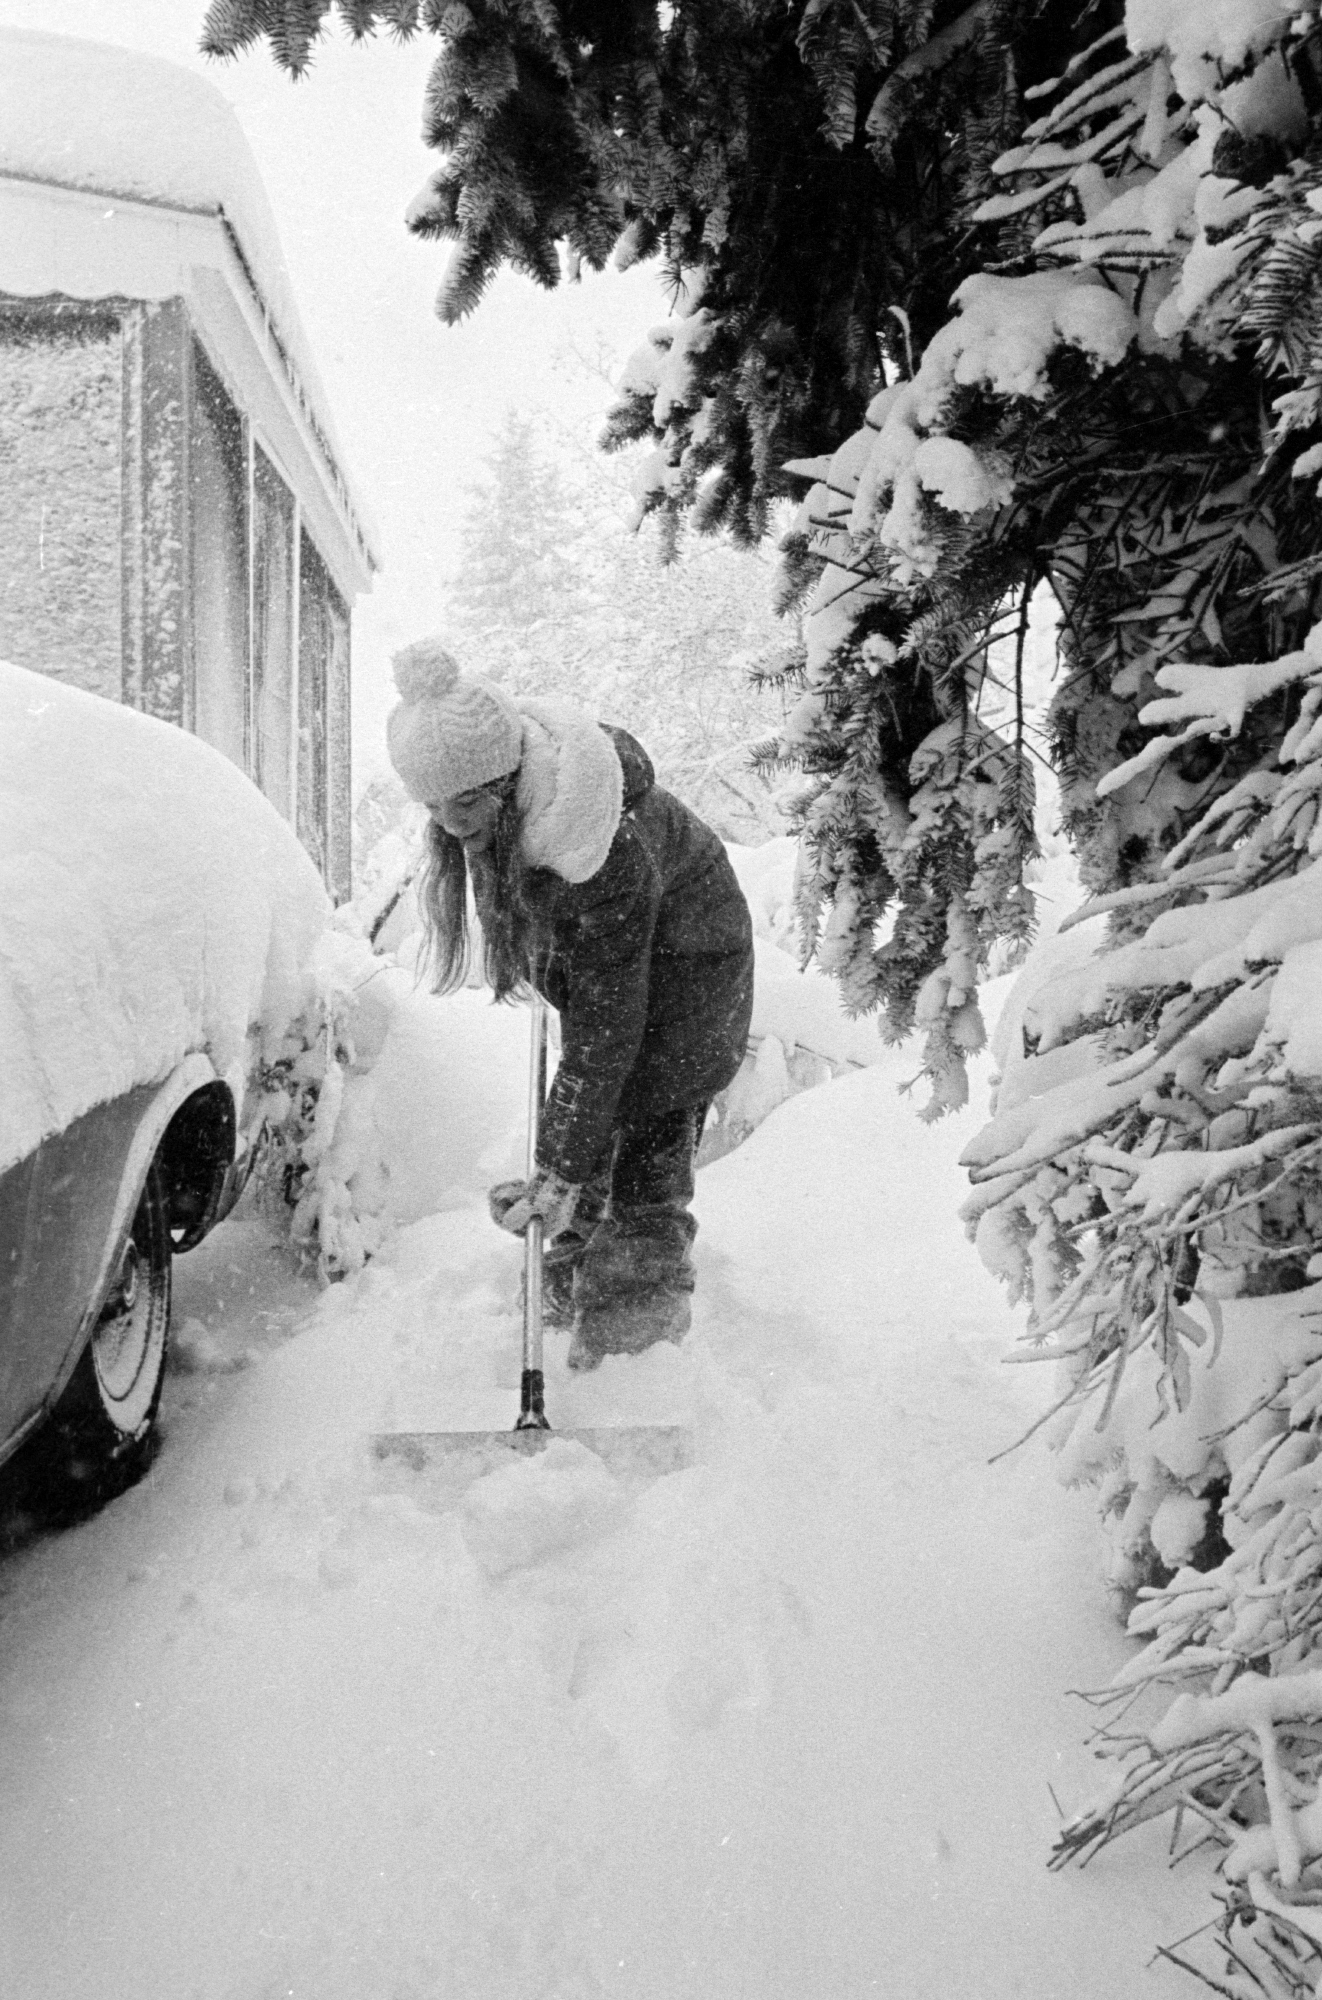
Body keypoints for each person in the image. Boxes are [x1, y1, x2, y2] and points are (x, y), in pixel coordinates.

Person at [386, 638, 755, 1372]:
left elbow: (609, 1025)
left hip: (691, 985)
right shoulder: (518, 807)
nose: (451, 823)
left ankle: (632, 1349)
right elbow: (595, 1001)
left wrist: (556, 1168)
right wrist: (566, 1161)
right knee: (597, 1127)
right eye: (433, 806)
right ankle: (568, 1298)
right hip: (631, 974)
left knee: (646, 1145)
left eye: (465, 803)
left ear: (506, 778)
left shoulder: (600, 843)